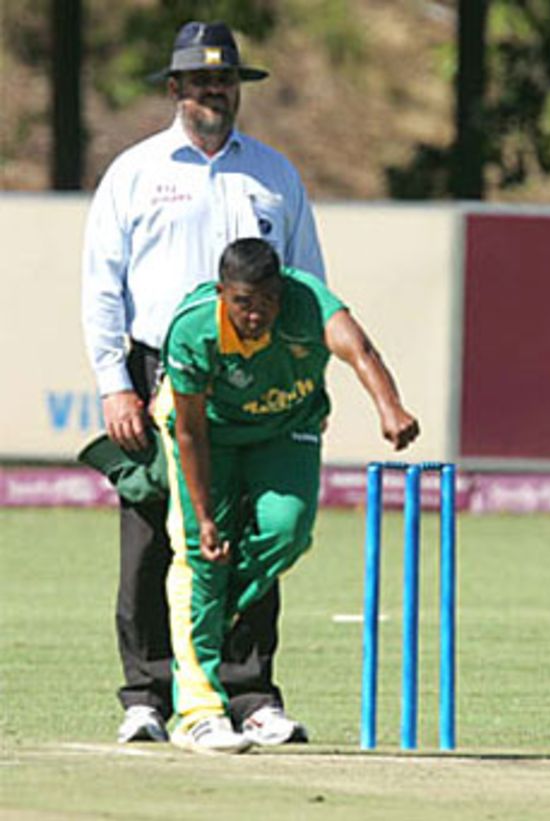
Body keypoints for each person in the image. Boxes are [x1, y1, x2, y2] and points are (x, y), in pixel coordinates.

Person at [81, 20, 325, 745]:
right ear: (175, 88)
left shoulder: (274, 174)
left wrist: (301, 373)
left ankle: (249, 690)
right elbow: (101, 285)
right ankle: (148, 693)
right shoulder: (135, 171)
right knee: (156, 534)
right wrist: (113, 382)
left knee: (249, 532)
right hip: (160, 367)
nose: (213, 90)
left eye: (225, 79)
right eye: (200, 80)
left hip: (252, 374)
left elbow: (308, 282)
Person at [157, 237, 420, 752]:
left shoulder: (307, 300)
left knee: (288, 531)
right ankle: (197, 712)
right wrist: (206, 516)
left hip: (286, 428)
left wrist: (390, 408)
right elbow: (188, 432)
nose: (258, 314)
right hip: (210, 435)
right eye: (244, 303)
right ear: (222, 294)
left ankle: (219, 605)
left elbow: (359, 350)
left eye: (268, 301)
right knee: (202, 555)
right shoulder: (192, 329)